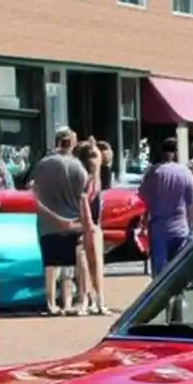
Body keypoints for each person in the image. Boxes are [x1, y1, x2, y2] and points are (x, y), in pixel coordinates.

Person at [30, 128, 90, 315]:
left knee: (50, 264)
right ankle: (67, 303)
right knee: (69, 265)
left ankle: (50, 303)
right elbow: (85, 193)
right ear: (72, 143)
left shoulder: (42, 165)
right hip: (72, 220)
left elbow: (33, 190)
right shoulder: (78, 167)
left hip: (47, 223)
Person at [137, 137, 193, 277]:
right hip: (180, 226)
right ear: (176, 153)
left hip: (159, 227)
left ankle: (160, 297)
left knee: (159, 270)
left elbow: (142, 195)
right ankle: (178, 296)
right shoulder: (185, 173)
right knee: (178, 266)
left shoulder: (154, 173)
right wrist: (192, 224)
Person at [75, 140, 111, 315]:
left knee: (95, 264)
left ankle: (98, 300)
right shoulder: (87, 178)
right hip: (89, 227)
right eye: (96, 155)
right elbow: (83, 200)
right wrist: (89, 225)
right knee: (88, 264)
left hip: (94, 226)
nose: (101, 157)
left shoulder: (97, 178)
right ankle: (89, 300)